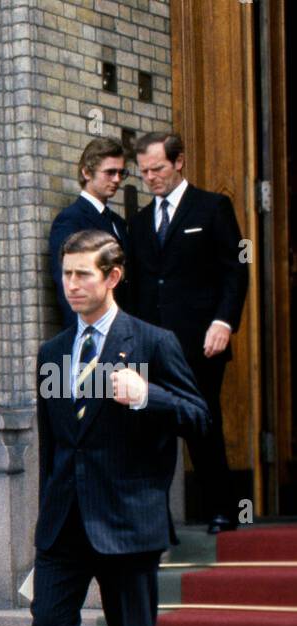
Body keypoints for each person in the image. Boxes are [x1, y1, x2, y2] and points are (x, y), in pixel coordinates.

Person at [32, 228, 208, 626]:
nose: (72, 285)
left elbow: (197, 417)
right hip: (65, 518)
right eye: (66, 274)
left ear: (113, 277)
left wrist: (145, 395)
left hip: (128, 519)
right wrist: (43, 519)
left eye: (83, 274)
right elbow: (53, 443)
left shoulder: (152, 343)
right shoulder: (52, 353)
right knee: (50, 624)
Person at [128, 131, 249, 533]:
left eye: (158, 168)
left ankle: (222, 509)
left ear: (179, 162)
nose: (151, 178)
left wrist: (224, 322)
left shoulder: (212, 208)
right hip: (151, 344)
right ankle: (155, 519)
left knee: (202, 421)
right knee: (150, 429)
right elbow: (139, 287)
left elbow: (235, 270)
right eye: (144, 172)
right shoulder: (141, 223)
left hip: (201, 341)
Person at [47, 136, 133, 323]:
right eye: (110, 172)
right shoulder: (71, 219)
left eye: (121, 173)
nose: (117, 179)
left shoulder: (118, 222)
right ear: (87, 172)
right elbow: (68, 283)